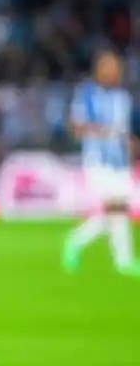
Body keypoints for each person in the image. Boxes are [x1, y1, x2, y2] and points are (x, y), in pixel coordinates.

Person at [62, 51, 138, 276]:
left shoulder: (123, 97)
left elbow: (125, 131)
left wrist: (130, 146)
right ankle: (121, 259)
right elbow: (76, 126)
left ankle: (117, 258)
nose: (113, 71)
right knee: (116, 208)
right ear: (98, 70)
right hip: (98, 160)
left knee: (118, 211)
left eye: (115, 67)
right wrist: (101, 130)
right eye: (108, 66)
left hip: (120, 161)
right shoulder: (86, 94)